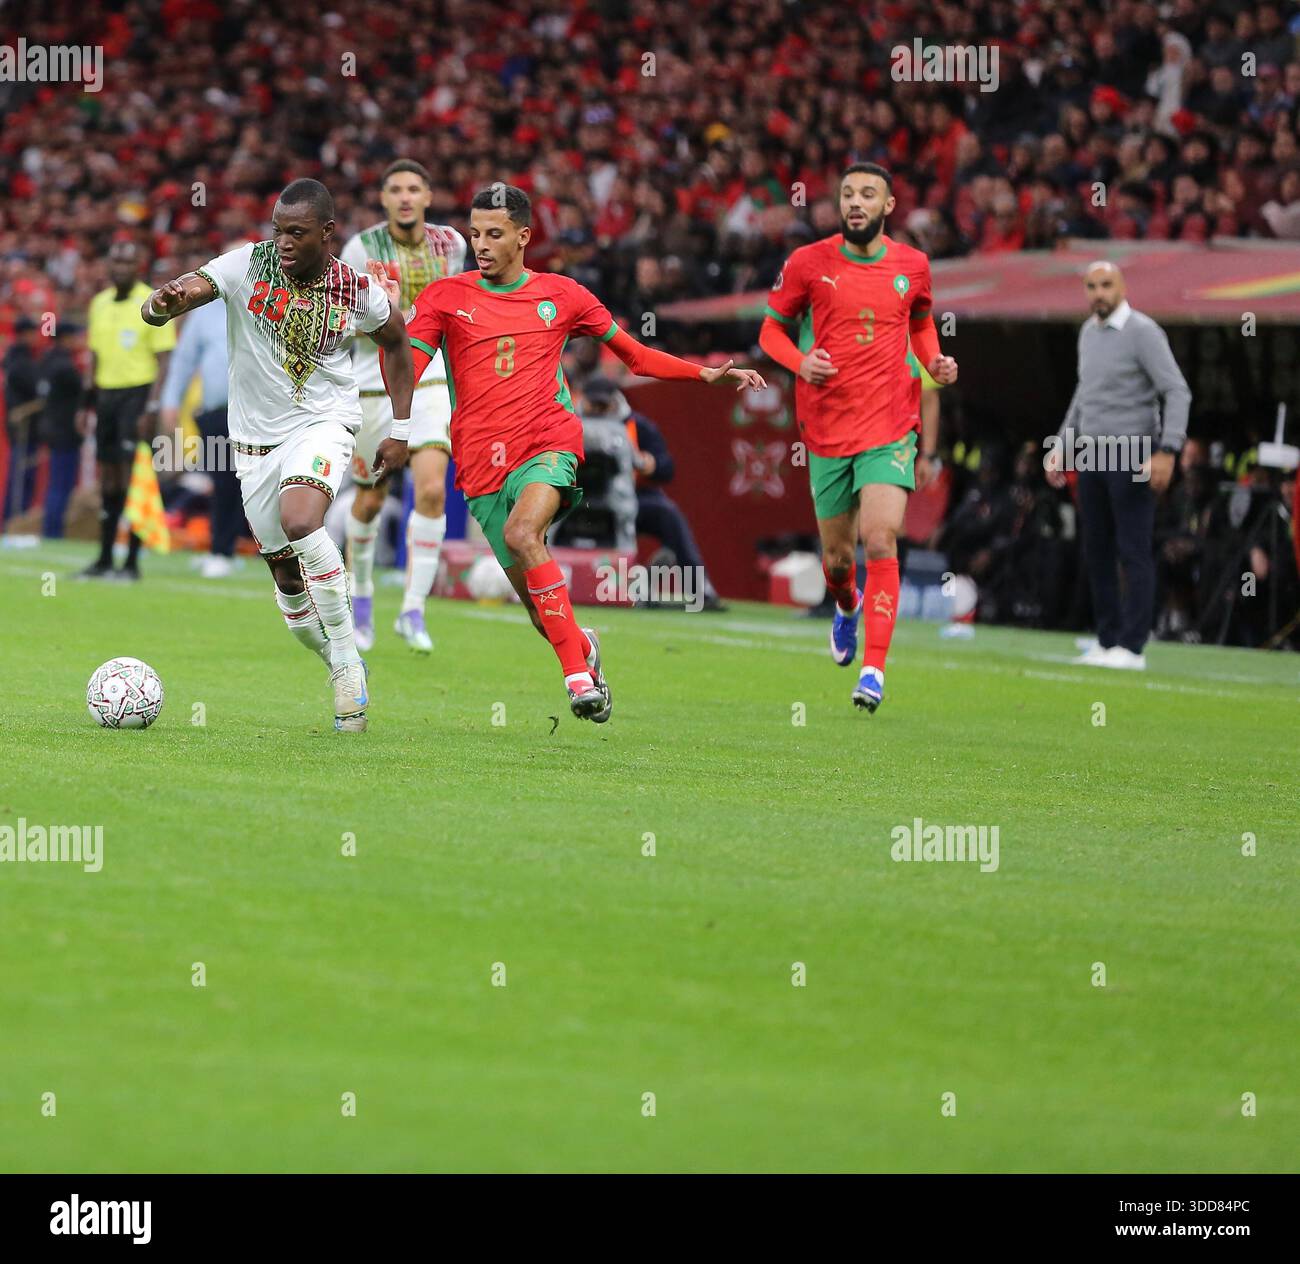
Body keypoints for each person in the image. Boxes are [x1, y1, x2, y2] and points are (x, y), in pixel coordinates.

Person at [384, 183, 764, 723]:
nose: (482, 245)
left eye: (494, 234)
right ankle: (581, 645)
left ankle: (576, 678)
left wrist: (702, 373)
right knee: (543, 616)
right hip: (479, 463)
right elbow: (404, 371)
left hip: (547, 442)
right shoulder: (446, 298)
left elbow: (634, 357)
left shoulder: (563, 295)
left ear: (524, 236)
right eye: (475, 234)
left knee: (523, 533)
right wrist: (384, 330)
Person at [140, 179, 414, 732]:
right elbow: (195, 287)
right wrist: (161, 304)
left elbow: (397, 341)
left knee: (301, 518)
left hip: (324, 423)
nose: (284, 242)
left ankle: (345, 660)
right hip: (253, 446)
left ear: (326, 233)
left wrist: (402, 427)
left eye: (297, 233)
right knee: (288, 584)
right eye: (278, 230)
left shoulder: (356, 289)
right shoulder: (248, 265)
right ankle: (336, 654)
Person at [758, 162, 958, 713]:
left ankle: (873, 670)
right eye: (848, 193)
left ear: (888, 206)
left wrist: (933, 361)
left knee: (880, 538)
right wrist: (802, 362)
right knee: (840, 560)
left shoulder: (912, 265)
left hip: (891, 423)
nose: (856, 201)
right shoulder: (808, 262)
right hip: (825, 425)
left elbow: (919, 322)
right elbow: (769, 331)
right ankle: (846, 607)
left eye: (868, 193)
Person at [339, 159, 468, 652]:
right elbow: (345, 315)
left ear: (429, 195)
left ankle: (413, 609)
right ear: (385, 199)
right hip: (374, 382)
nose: (406, 197)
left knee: (432, 490)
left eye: (415, 188)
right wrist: (386, 314)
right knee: (370, 500)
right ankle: (363, 597)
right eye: (396, 189)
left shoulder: (452, 245)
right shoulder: (360, 248)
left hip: (430, 377)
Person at [1047, 261, 1191, 670]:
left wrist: (1167, 450)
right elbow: (1083, 396)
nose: (1098, 293)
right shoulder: (1087, 333)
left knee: (1133, 550)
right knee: (1097, 550)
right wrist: (1060, 445)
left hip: (1133, 451)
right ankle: (1108, 640)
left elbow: (1176, 391)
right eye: (1091, 286)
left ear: (1123, 286)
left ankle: (1133, 647)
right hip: (1092, 453)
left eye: (1106, 285)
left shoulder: (1144, 332)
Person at [577, 375, 726, 610]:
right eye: (592, 404)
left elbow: (667, 468)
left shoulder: (638, 426)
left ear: (615, 402)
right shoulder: (570, 423)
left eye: (602, 405)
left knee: (668, 513)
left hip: (632, 499)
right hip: (579, 500)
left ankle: (700, 589)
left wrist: (650, 464)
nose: (597, 410)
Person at [82, 240, 176, 579]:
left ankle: (131, 563)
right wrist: (86, 404)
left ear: (138, 268)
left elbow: (164, 361)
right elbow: (93, 357)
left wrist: (151, 406)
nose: (120, 268)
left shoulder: (152, 301)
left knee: (133, 477)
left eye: (128, 263)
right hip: (106, 396)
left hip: (137, 397)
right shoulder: (99, 303)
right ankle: (105, 557)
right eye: (116, 262)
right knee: (108, 478)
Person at [159, 286, 241, 577]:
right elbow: (184, 360)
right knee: (222, 481)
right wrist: (170, 401)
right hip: (217, 411)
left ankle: (235, 548)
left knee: (254, 484)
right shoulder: (205, 313)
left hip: (257, 412)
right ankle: (221, 550)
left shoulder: (265, 309)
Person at [38, 322, 86, 539]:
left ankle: (52, 528)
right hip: (65, 430)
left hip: (52, 428)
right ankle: (53, 530)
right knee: (61, 484)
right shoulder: (65, 366)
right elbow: (83, 389)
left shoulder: (48, 361)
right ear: (65, 338)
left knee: (56, 482)